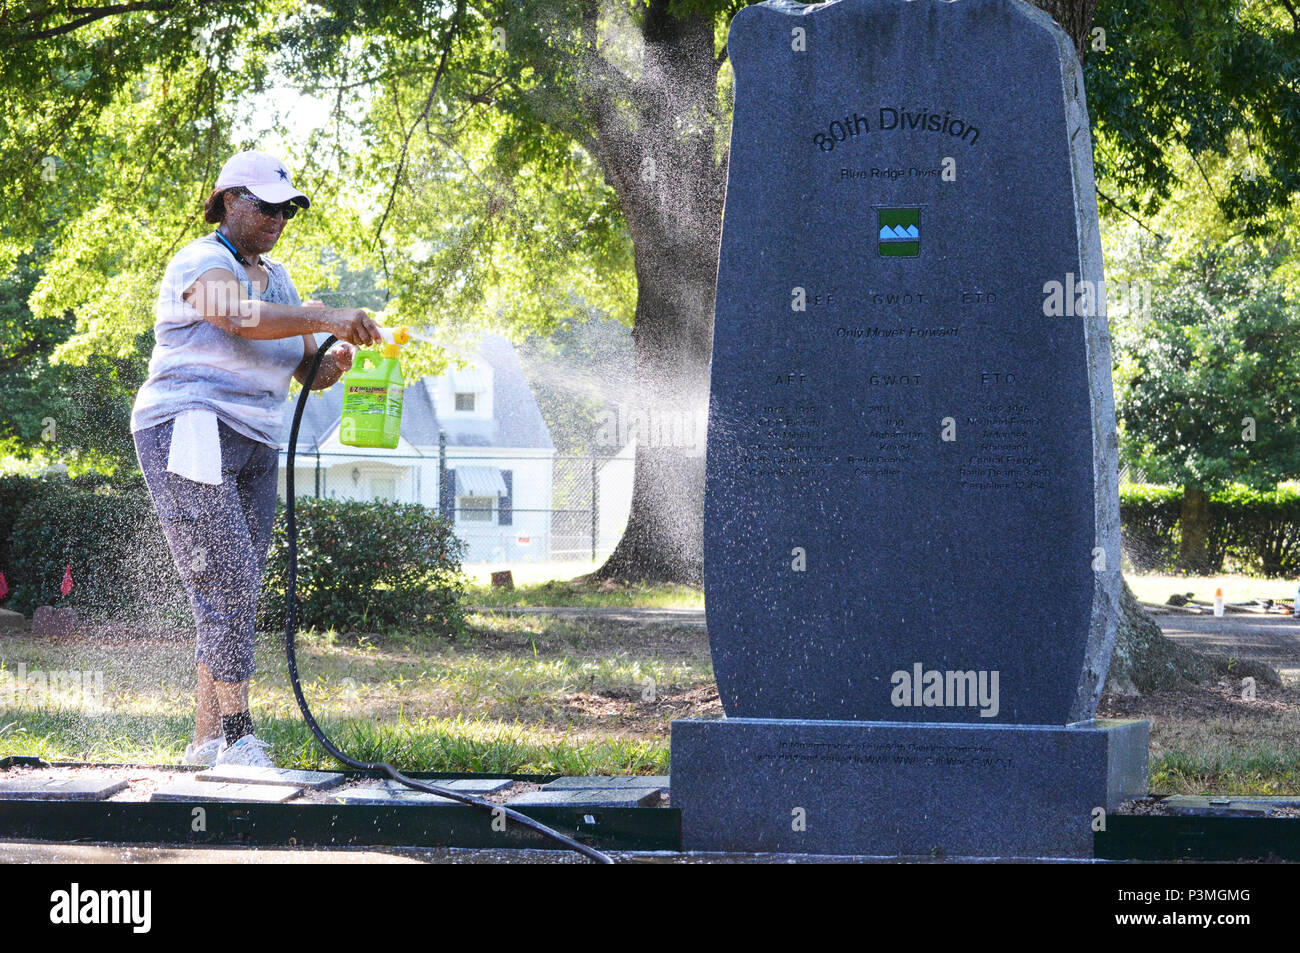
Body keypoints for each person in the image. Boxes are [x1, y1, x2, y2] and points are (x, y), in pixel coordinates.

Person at [131, 149, 385, 767]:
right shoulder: (200, 260)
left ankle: (206, 741)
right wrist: (327, 314)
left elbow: (304, 367)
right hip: (190, 428)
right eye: (266, 205)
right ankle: (240, 739)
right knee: (230, 579)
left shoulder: (281, 280)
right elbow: (240, 319)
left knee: (228, 586)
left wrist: (333, 362)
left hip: (256, 440)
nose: (278, 217)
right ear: (228, 200)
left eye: (287, 209)